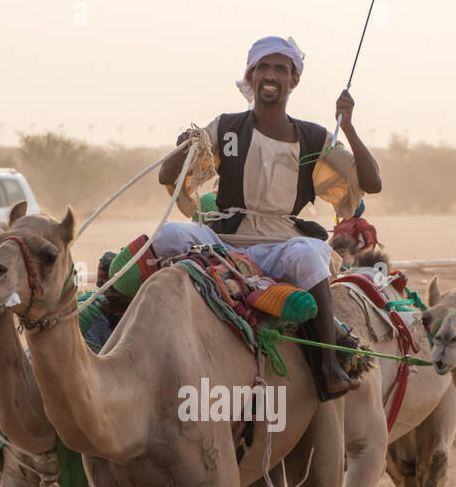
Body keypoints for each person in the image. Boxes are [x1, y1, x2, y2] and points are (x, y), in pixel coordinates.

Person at [156, 35, 382, 396]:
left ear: (293, 80)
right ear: (251, 76)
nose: (270, 75)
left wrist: (348, 126)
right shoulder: (226, 127)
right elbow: (168, 177)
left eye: (280, 68)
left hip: (282, 243)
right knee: (168, 236)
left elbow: (372, 182)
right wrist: (184, 146)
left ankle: (328, 365)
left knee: (310, 255)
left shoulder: (312, 137)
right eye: (263, 67)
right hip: (226, 242)